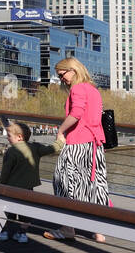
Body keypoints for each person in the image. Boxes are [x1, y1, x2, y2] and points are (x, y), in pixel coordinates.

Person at [44, 57, 110, 243]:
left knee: (63, 182)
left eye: (62, 74)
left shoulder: (78, 88)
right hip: (94, 145)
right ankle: (98, 232)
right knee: (92, 185)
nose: (61, 79)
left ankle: (67, 229)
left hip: (77, 144)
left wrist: (61, 130)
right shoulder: (93, 90)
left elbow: (77, 113)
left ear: (72, 70)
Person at [0, 121, 58, 243]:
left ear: (19, 137)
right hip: (28, 188)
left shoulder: (11, 151)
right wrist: (60, 141)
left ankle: (5, 232)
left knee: (8, 211)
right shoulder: (35, 147)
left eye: (9, 136)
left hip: (11, 188)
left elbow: (5, 172)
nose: (7, 138)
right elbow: (51, 149)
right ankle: (22, 233)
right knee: (26, 212)